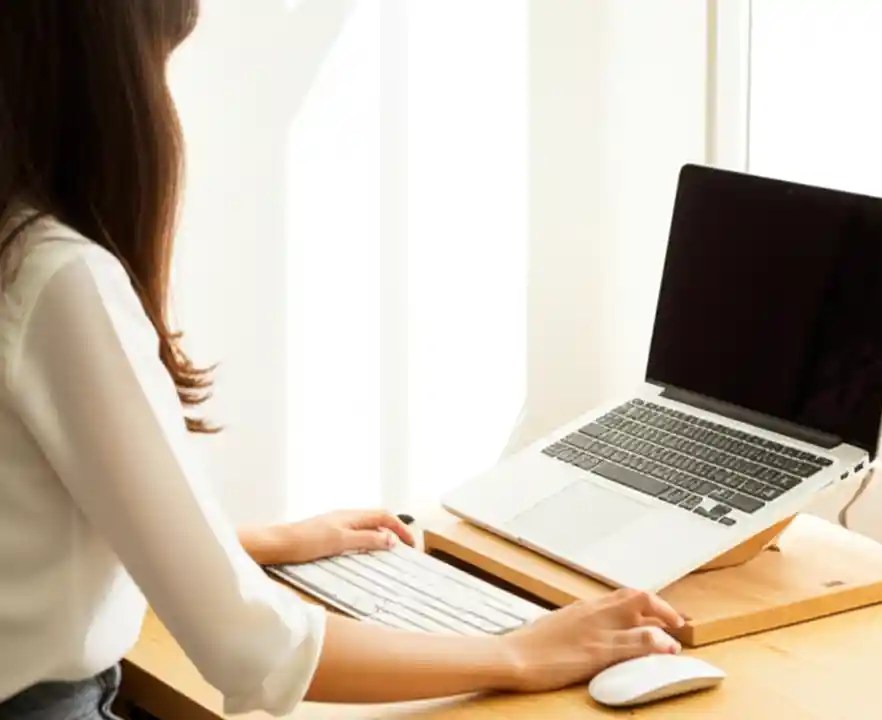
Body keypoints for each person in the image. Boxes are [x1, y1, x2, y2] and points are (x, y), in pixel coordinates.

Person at [0, 2, 682, 718]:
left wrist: (249, 545)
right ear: (108, 81)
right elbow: (254, 651)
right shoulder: (56, 280)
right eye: (161, 62)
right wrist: (520, 651)